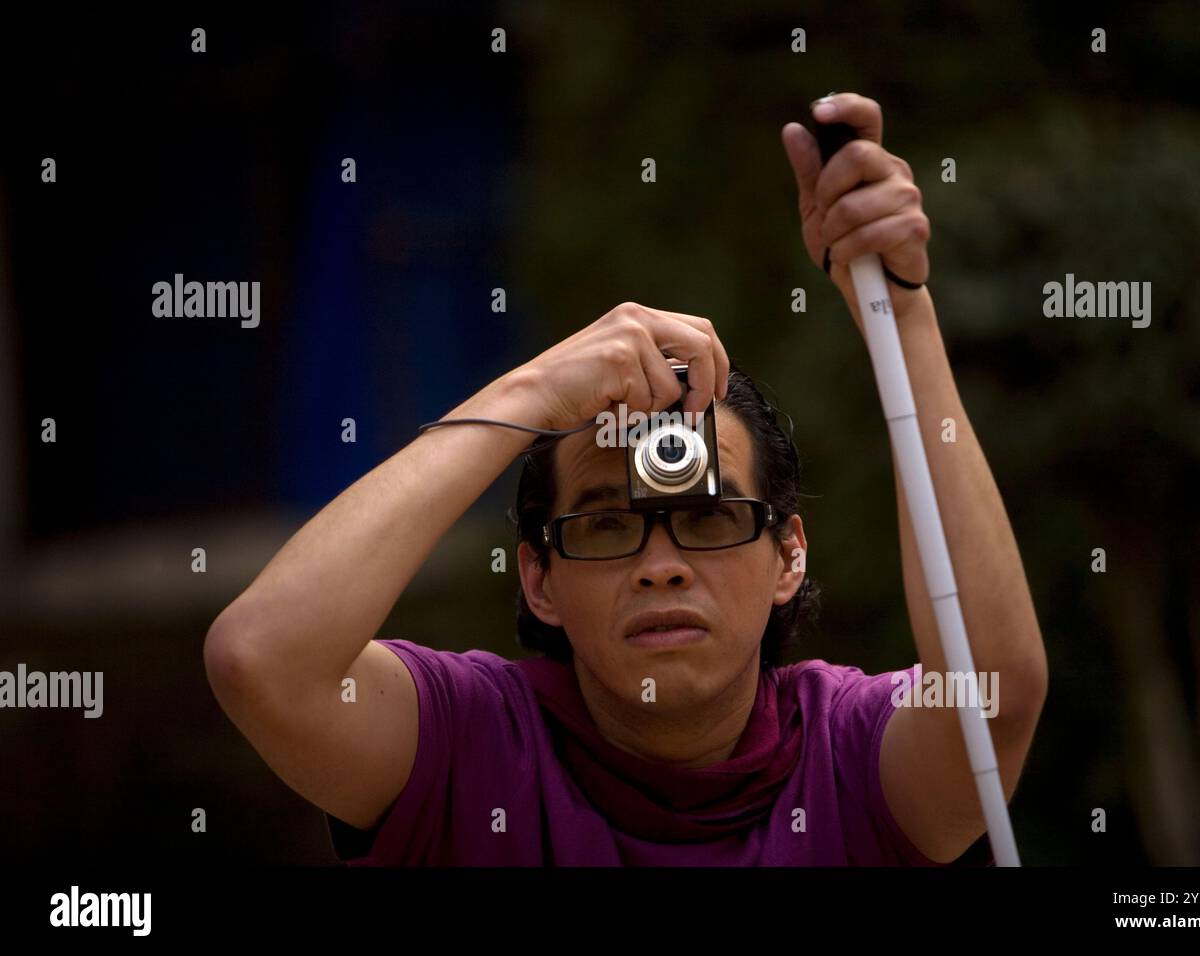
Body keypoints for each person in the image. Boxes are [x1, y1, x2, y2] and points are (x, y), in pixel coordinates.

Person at [203, 92, 1047, 866]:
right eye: (606, 525)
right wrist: (530, 390)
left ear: (789, 554)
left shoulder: (850, 754)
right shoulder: (468, 744)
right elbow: (262, 661)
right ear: (538, 578)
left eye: (710, 518)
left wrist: (901, 310)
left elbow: (996, 699)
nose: (661, 564)